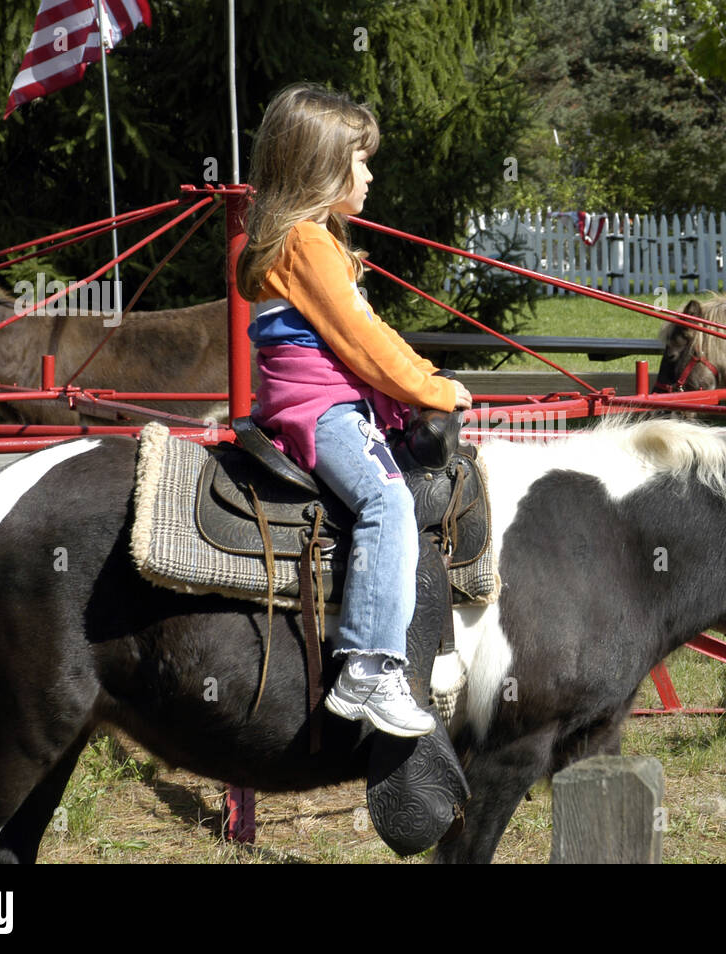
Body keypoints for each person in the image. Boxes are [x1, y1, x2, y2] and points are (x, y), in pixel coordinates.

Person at [235, 84, 473, 738]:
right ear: (320, 166)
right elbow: (363, 346)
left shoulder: (316, 243)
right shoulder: (308, 244)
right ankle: (368, 664)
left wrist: (426, 379)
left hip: (329, 401)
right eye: (359, 161)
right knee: (387, 501)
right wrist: (437, 395)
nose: (369, 173)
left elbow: (376, 335)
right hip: (321, 411)